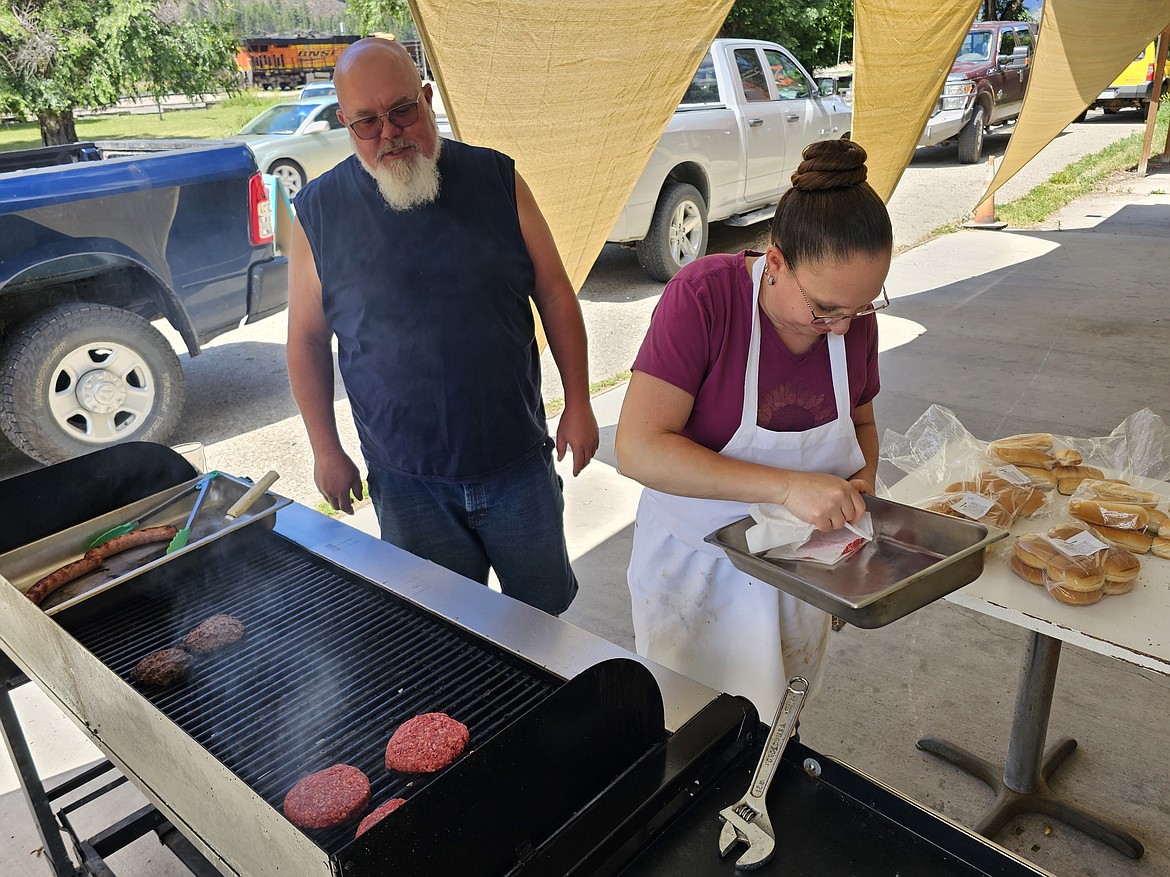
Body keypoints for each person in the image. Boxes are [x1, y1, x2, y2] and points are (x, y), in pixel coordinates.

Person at [286, 38, 599, 615]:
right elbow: (306, 341)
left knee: (545, 620)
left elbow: (554, 292)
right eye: (366, 122)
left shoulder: (498, 180)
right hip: (406, 482)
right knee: (442, 629)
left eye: (402, 109)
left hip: (517, 466)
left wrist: (578, 401)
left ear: (427, 100)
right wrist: (324, 449)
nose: (389, 132)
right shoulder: (320, 213)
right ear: (345, 123)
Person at [615, 139, 893, 717]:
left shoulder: (850, 321)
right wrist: (788, 487)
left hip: (802, 572)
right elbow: (639, 449)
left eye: (861, 309)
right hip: (698, 575)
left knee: (775, 740)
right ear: (776, 261)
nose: (841, 330)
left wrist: (862, 480)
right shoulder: (704, 299)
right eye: (824, 310)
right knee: (692, 740)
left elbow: (860, 419)